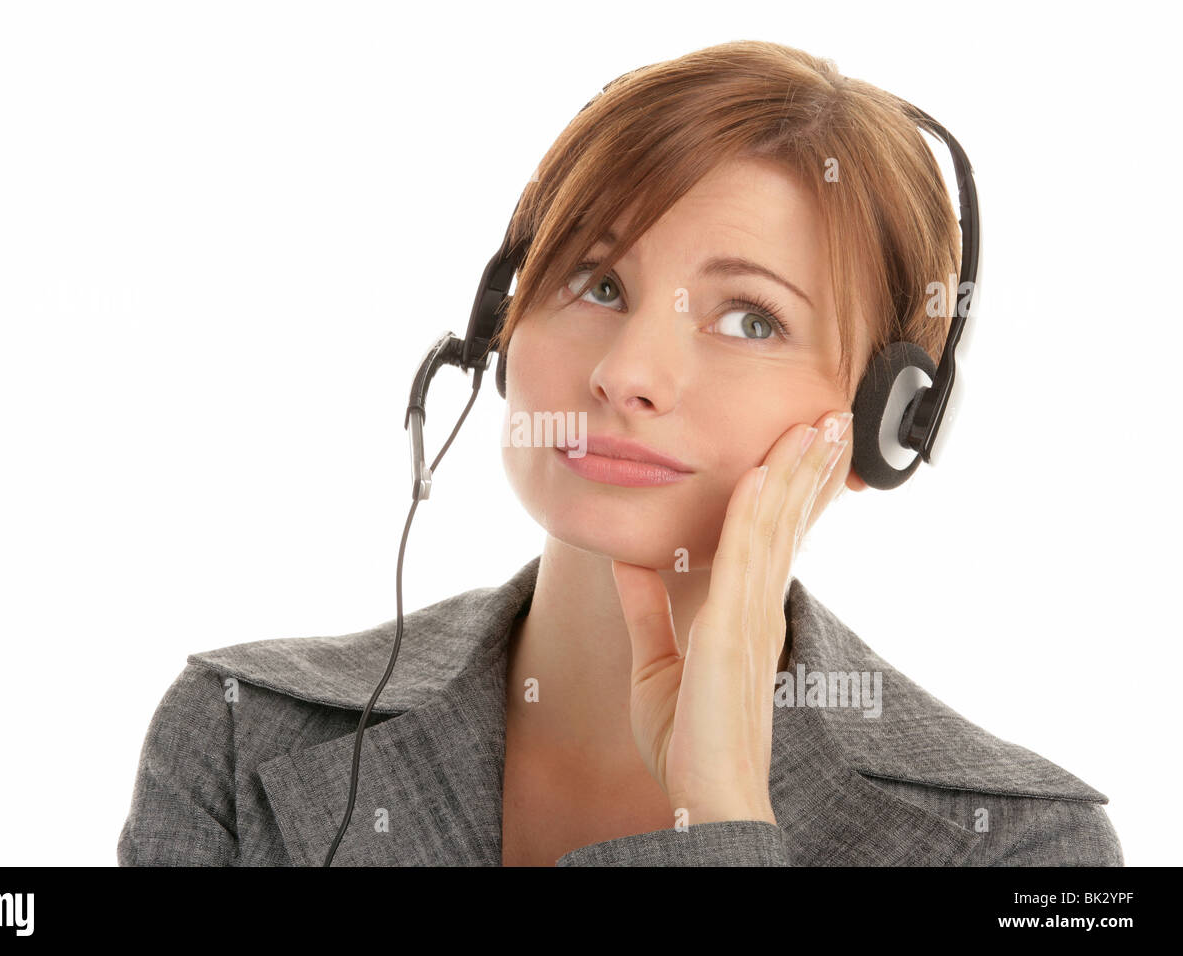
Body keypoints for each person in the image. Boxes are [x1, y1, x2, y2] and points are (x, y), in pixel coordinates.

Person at [117, 39, 1123, 866]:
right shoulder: (239, 732)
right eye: (597, 284)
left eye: (749, 319)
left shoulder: (1026, 850)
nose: (628, 371)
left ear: (885, 423)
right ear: (500, 326)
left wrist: (722, 810)